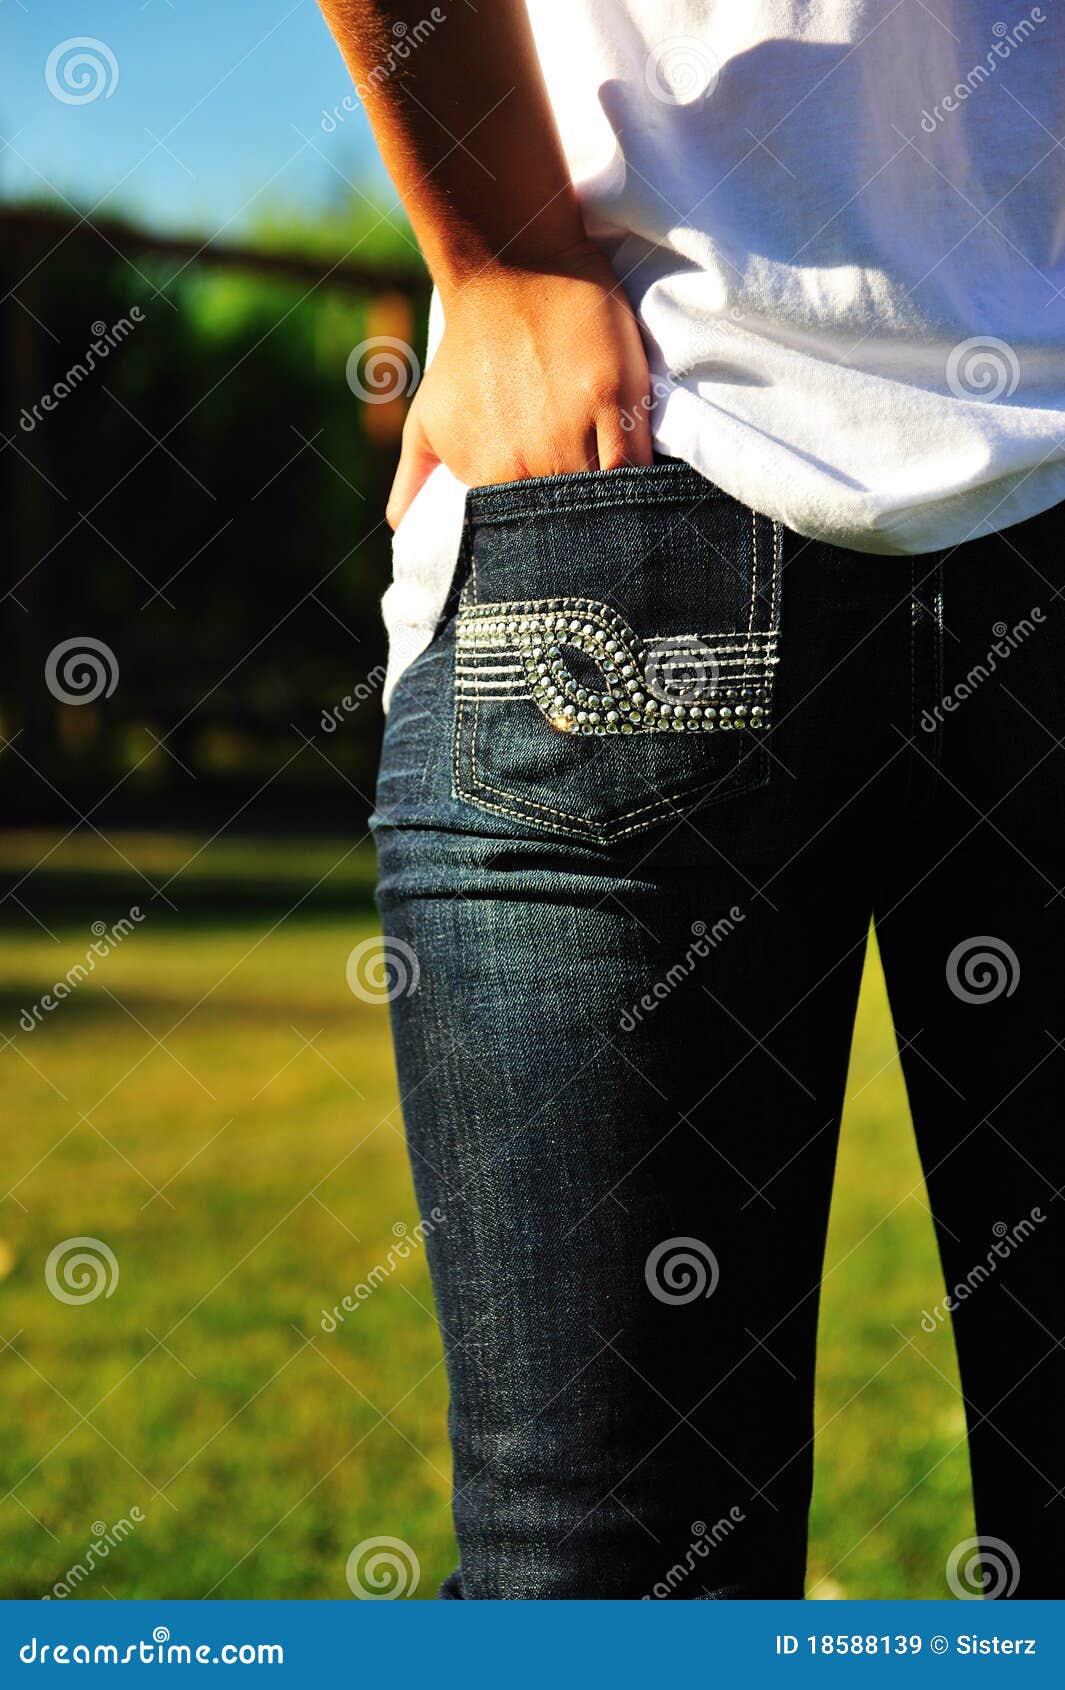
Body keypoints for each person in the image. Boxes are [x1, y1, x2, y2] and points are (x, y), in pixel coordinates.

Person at [317, 1, 1065, 1599]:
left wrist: (505, 254)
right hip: (636, 456)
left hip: (629, 478)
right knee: (607, 1584)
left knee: (609, 1585)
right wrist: (499, 253)